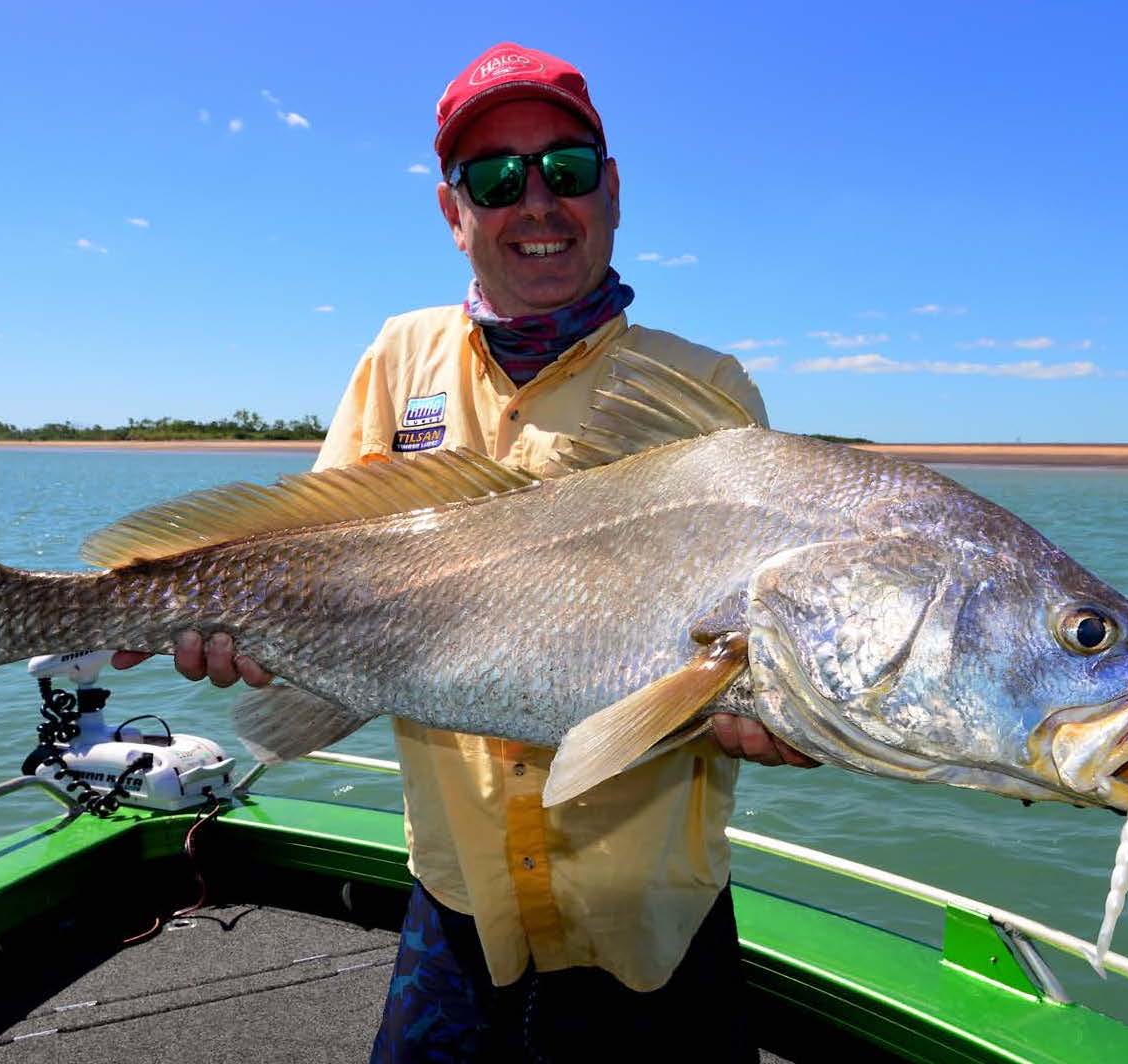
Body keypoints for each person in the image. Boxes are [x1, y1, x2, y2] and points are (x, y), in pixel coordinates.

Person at [117, 42, 817, 1061]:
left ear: (612, 192)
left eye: (565, 169)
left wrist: (785, 702)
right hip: (461, 907)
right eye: (495, 178)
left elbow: (735, 638)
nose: (536, 201)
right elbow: (301, 552)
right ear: (454, 213)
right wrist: (223, 616)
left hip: (649, 920)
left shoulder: (708, 396)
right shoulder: (398, 357)